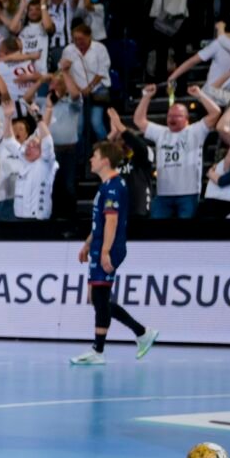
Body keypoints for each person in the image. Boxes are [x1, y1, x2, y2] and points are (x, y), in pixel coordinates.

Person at [70, 142, 160, 364]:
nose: (91, 159)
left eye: (95, 155)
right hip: (100, 245)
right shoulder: (107, 185)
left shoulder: (113, 187)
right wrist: (88, 243)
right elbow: (100, 222)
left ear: (105, 161)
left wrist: (105, 251)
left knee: (100, 298)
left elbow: (112, 221)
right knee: (97, 299)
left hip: (109, 248)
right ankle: (141, 333)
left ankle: (99, 351)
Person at [132, 84, 224, 219]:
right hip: (163, 194)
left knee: (186, 235)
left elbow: (215, 112)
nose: (172, 119)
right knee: (155, 234)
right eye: (170, 116)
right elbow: (138, 121)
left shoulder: (195, 130)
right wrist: (146, 97)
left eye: (177, 116)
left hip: (189, 193)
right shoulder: (161, 132)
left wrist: (200, 95)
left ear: (187, 119)